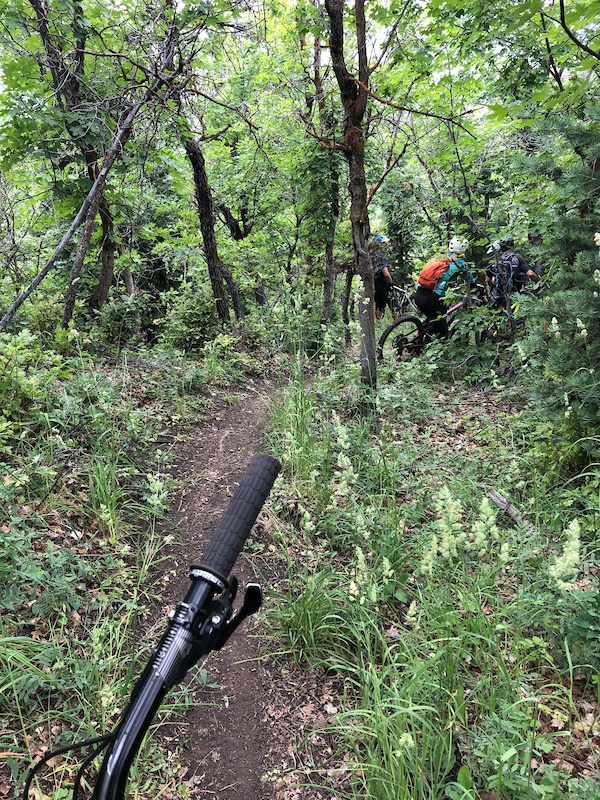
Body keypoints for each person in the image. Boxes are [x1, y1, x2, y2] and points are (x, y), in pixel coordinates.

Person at [414, 236, 476, 337]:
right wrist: (480, 294)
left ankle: (416, 342)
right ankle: (425, 345)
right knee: (442, 334)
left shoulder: (440, 258)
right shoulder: (461, 264)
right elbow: (471, 282)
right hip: (433, 299)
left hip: (419, 294)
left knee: (432, 321)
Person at [485, 237, 539, 308]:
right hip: (515, 297)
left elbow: (488, 281)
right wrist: (539, 283)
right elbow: (530, 274)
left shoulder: (494, 263)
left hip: (498, 297)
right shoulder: (517, 259)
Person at [370, 235, 396, 320]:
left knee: (379, 306)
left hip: (376, 285)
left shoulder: (371, 255)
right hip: (384, 285)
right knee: (394, 305)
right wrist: (391, 283)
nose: (386, 245)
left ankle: (378, 323)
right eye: (384, 243)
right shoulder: (381, 256)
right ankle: (397, 324)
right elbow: (386, 274)